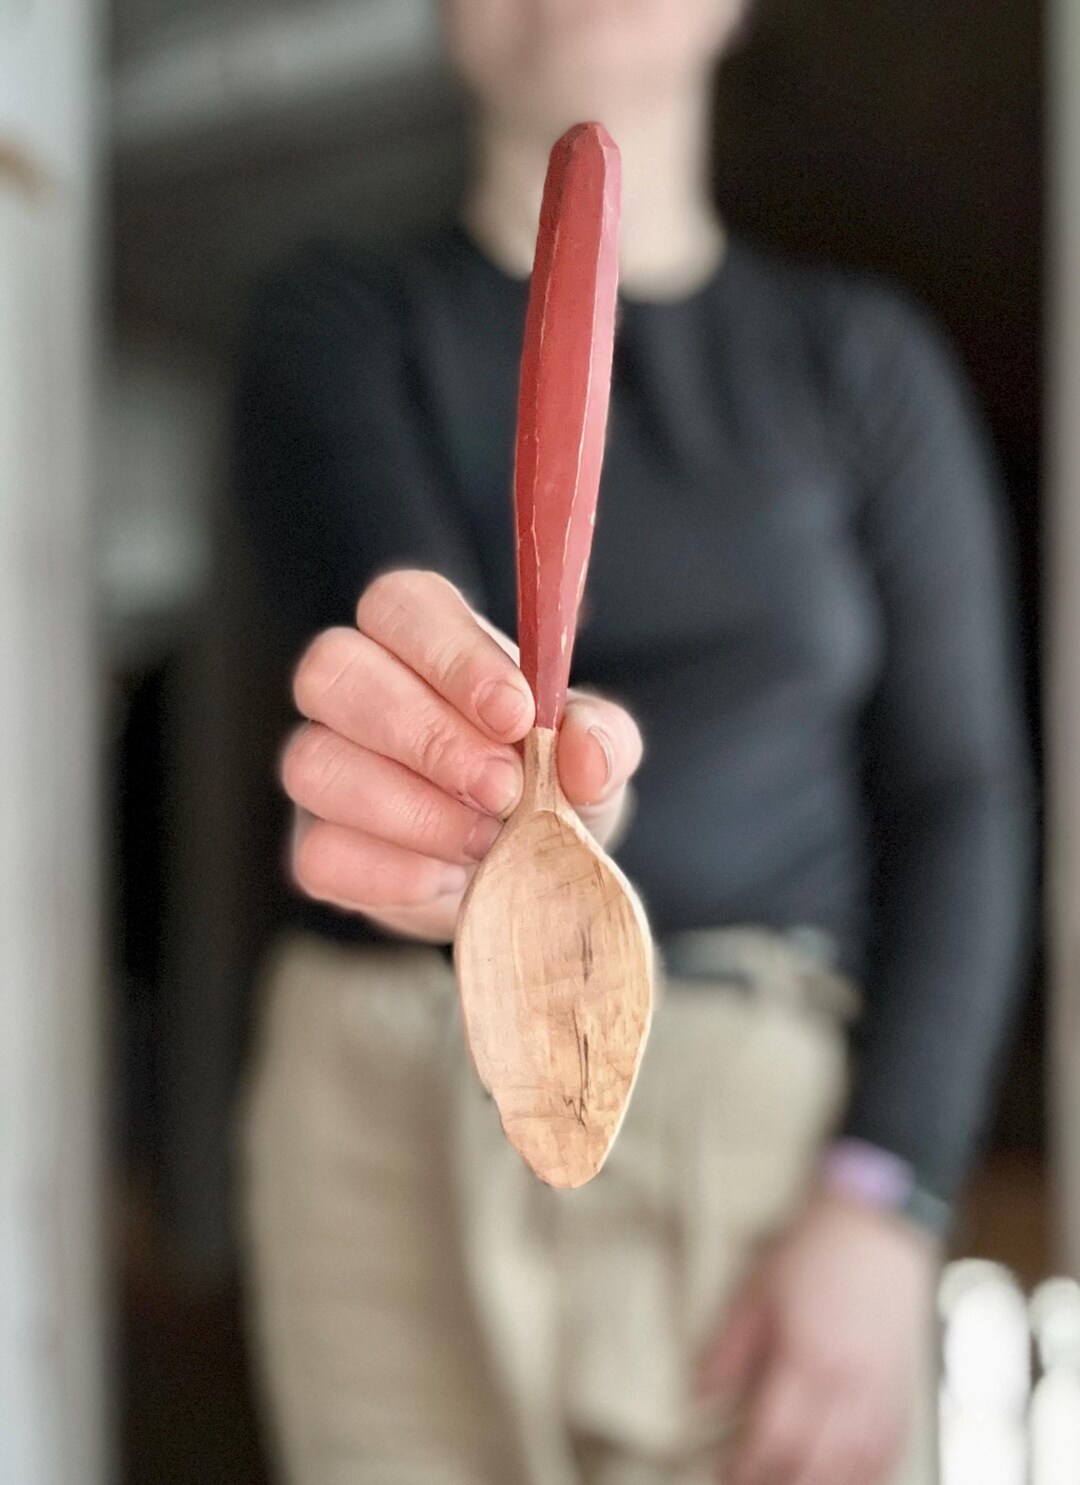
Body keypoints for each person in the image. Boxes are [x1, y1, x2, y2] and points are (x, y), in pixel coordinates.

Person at [232, 2, 1034, 1482]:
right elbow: (389, 618)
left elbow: (962, 799)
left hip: (752, 1118)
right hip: (377, 1097)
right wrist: (465, 785)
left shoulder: (864, 367)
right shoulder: (335, 321)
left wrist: (887, 1193)